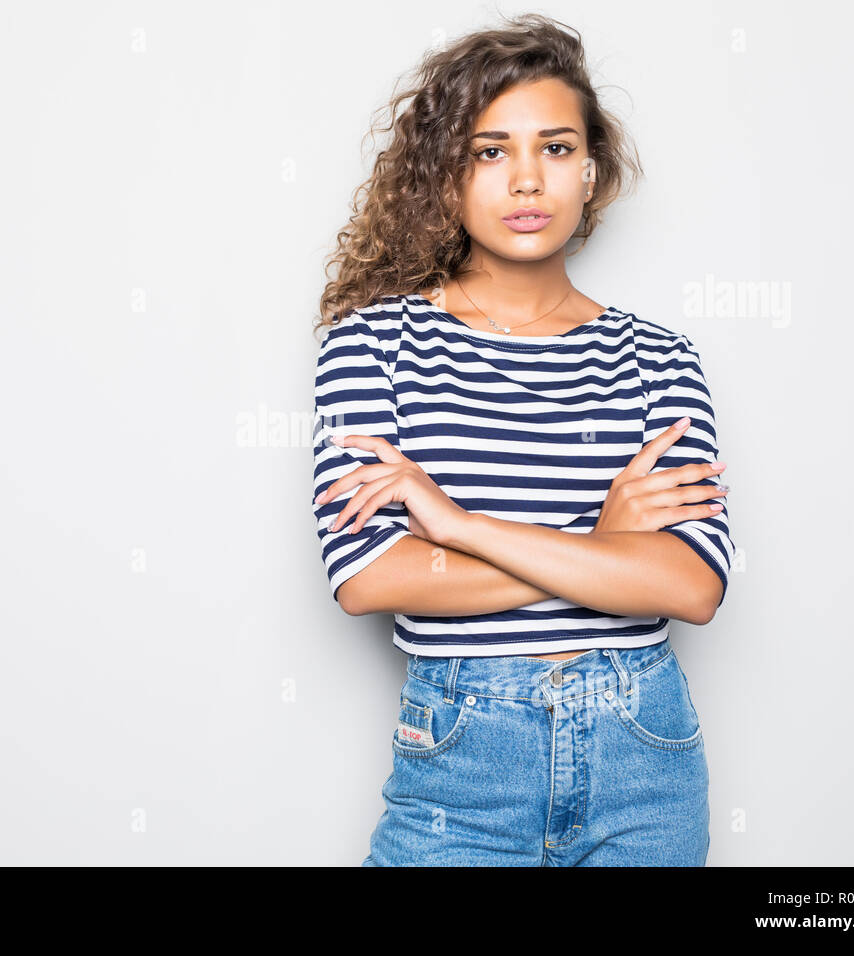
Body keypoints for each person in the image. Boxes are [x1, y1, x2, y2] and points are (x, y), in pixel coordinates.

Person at [310, 14, 735, 866]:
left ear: (593, 172)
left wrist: (459, 526)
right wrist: (605, 547)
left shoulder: (657, 356)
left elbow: (690, 585)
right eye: (491, 150)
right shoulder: (371, 344)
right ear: (445, 175)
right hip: (462, 764)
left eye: (558, 147)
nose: (528, 178)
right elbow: (370, 578)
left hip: (643, 756)